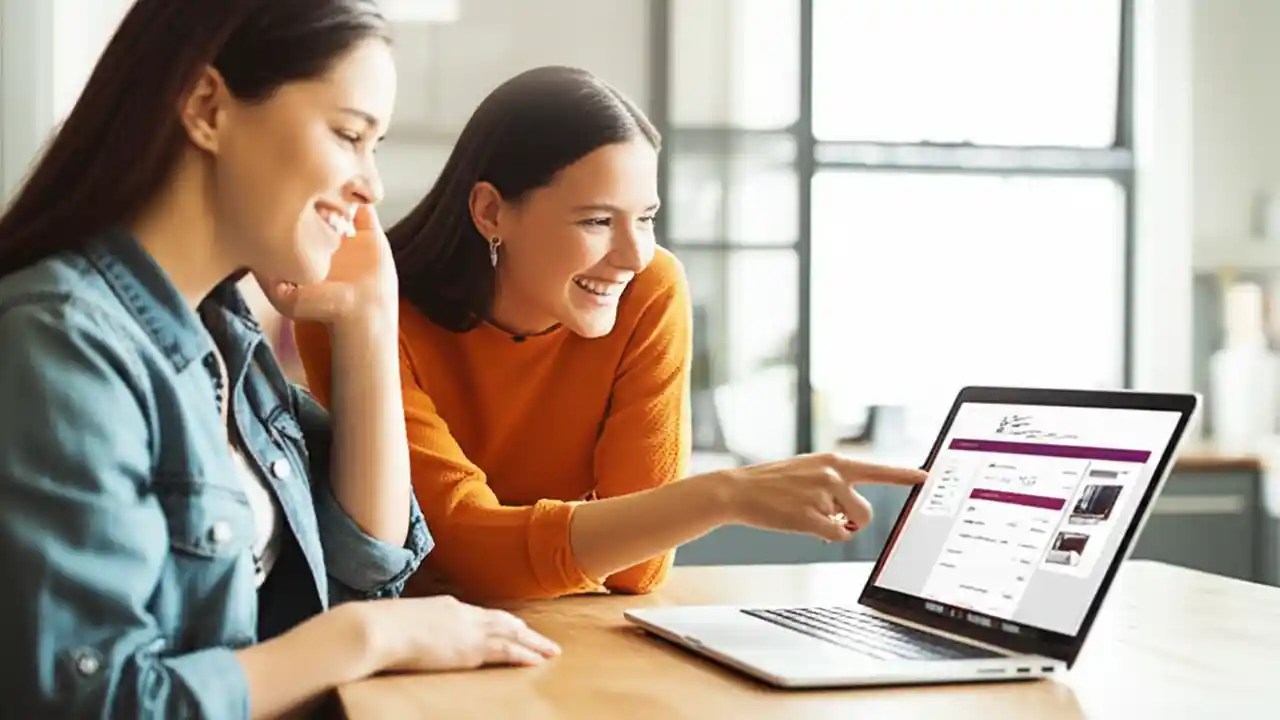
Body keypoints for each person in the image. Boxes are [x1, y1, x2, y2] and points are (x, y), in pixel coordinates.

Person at [0, 2, 557, 718]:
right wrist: (360, 639)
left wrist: (369, 319)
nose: (372, 186)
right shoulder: (64, 342)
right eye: (350, 135)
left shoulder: (222, 337)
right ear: (207, 107)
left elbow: (362, 570)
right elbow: (96, 704)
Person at [296, 66, 927, 602]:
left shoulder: (650, 290)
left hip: (565, 644)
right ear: (491, 212)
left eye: (646, 218)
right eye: (597, 220)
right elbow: (461, 546)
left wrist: (660, 515)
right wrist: (725, 495)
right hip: (414, 652)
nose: (632, 254)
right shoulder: (364, 309)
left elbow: (637, 570)